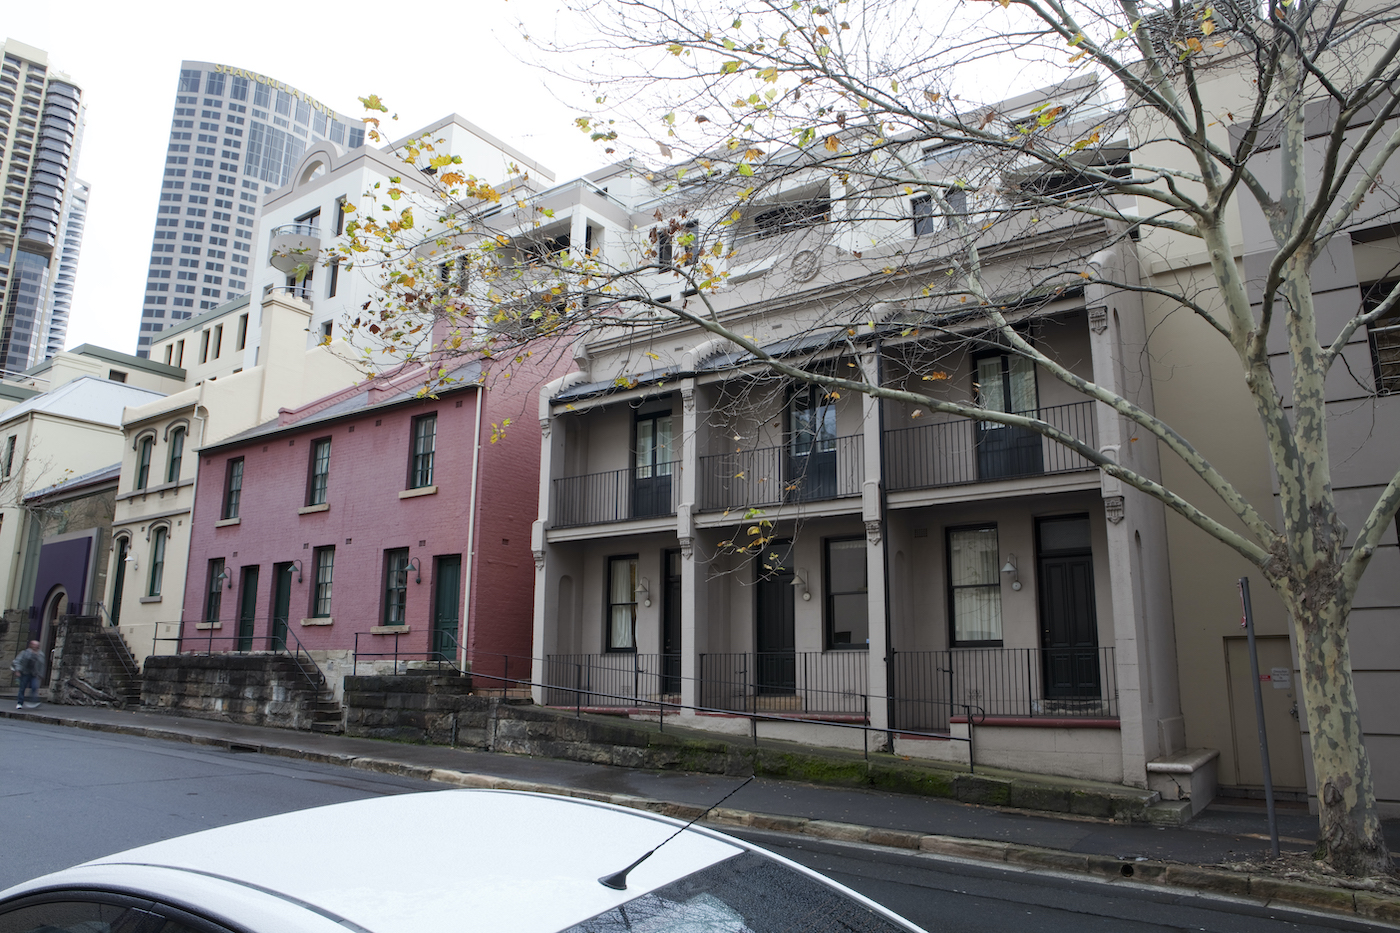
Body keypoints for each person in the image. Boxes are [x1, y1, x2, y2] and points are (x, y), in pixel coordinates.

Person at [13, 639, 44, 709]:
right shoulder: (25, 653)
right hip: (25, 673)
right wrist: (17, 670)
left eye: (37, 645)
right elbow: (17, 661)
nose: (35, 646)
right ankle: (20, 703)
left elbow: (41, 665)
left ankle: (33, 701)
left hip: (34, 674)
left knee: (34, 687)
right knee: (22, 688)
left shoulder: (40, 654)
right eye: (34, 645)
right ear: (31, 645)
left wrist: (40, 674)